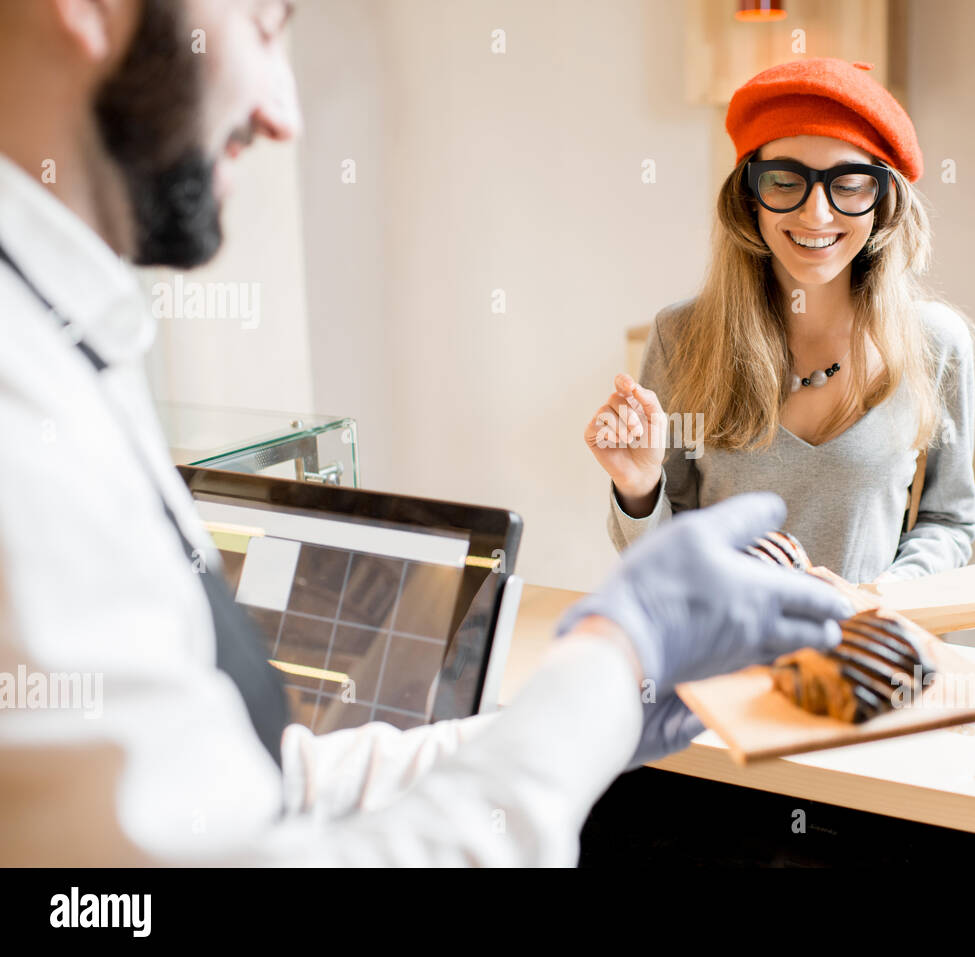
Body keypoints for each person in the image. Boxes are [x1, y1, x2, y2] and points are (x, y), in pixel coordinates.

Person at [0, 0, 853, 866]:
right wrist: (611, 653)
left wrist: (588, 715)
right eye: (264, 22)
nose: (283, 113)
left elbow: (262, 786)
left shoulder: (61, 338)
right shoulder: (19, 408)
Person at [585, 58, 975, 588]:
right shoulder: (681, 336)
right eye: (784, 180)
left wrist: (874, 599)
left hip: (858, 654)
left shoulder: (936, 343)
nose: (816, 214)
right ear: (749, 197)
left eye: (850, 183)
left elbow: (948, 523)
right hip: (721, 653)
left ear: (883, 200)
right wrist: (640, 488)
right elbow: (662, 561)